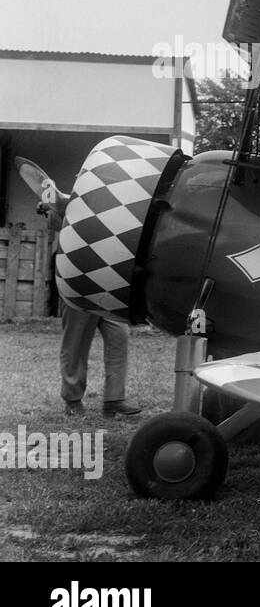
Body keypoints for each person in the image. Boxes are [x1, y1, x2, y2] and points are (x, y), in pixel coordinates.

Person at [29, 164, 138, 418]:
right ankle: (73, 400)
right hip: (78, 283)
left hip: (108, 285)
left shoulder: (119, 207)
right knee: (76, 343)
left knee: (119, 338)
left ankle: (114, 400)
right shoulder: (71, 202)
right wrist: (48, 208)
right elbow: (56, 222)